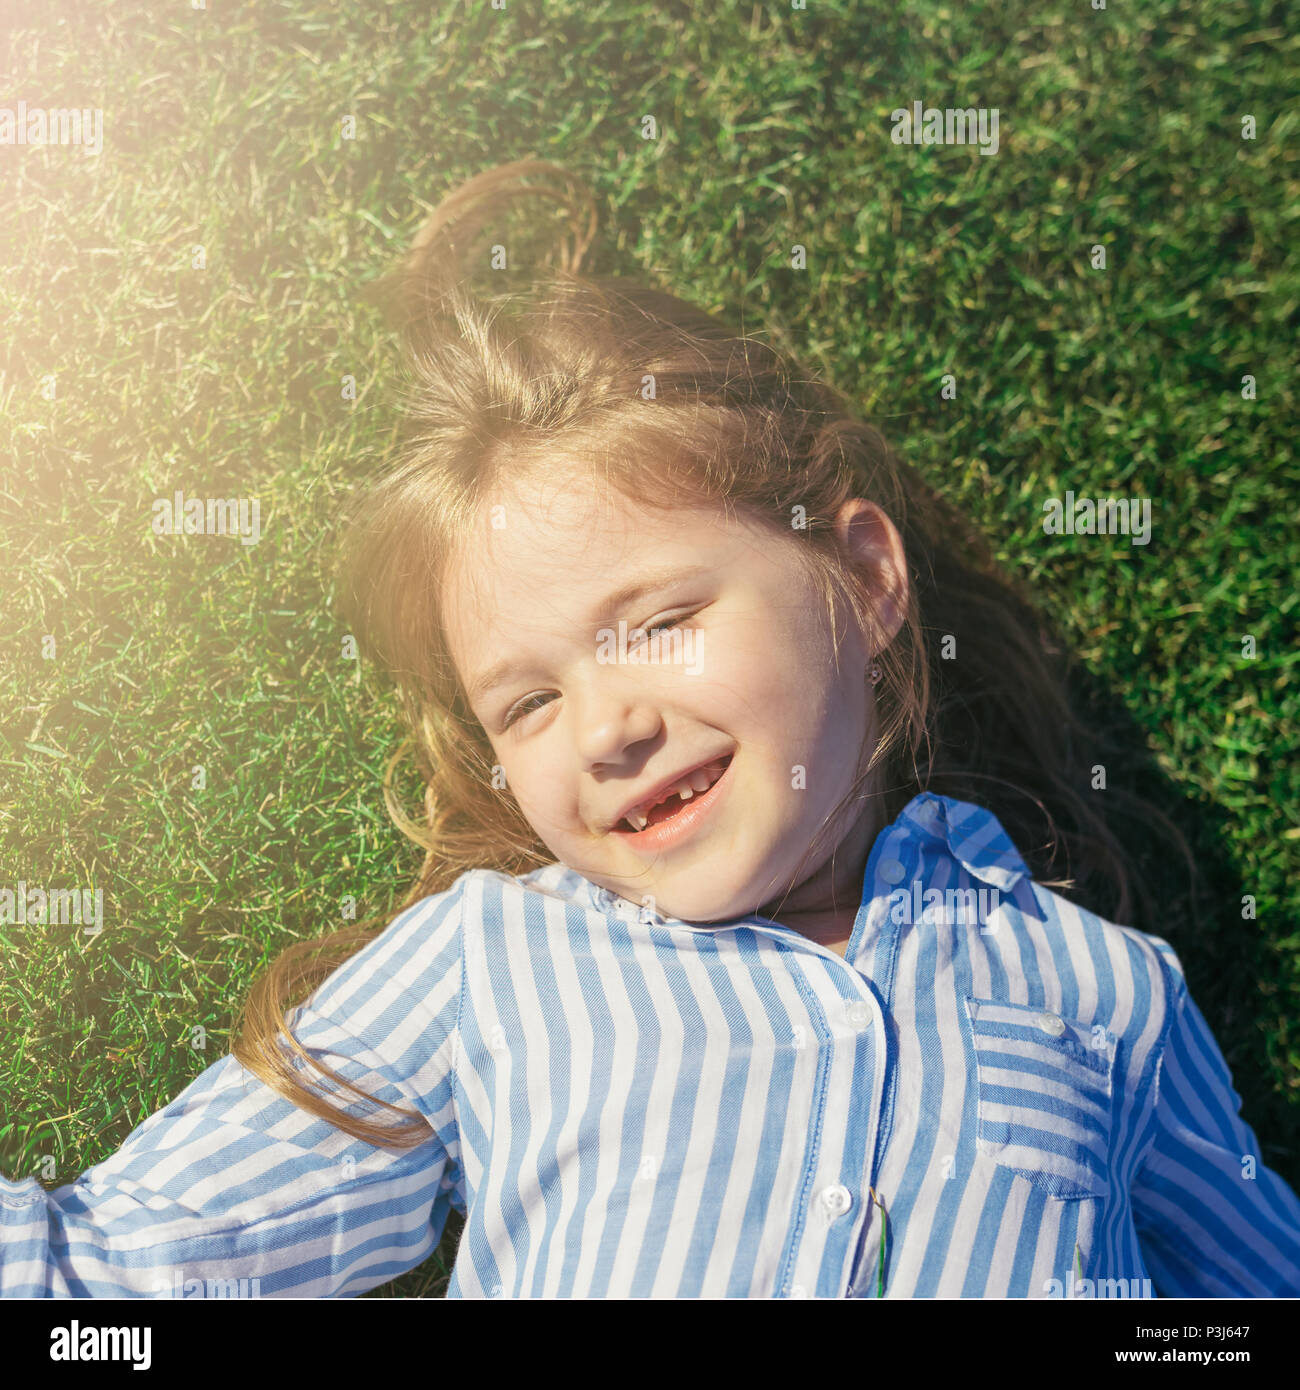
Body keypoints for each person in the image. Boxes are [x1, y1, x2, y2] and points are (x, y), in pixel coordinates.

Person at [4, 161, 1298, 1298]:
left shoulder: (1107, 993)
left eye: (660, 618)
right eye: (528, 700)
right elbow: (123, 1257)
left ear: (863, 576)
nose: (608, 726)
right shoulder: (493, 959)